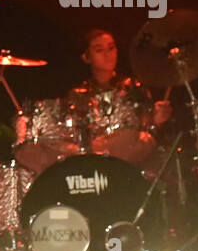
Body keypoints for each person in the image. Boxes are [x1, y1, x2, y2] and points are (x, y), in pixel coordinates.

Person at [65, 28, 172, 164]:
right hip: (97, 165)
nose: (107, 54)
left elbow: (148, 132)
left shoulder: (133, 87)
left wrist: (157, 120)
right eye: (99, 50)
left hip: (134, 162)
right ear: (86, 57)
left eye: (111, 48)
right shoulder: (78, 95)